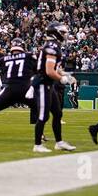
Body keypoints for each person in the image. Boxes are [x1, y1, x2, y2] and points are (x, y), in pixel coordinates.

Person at [31, 23, 74, 153]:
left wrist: (65, 74)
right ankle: (37, 145)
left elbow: (55, 69)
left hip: (49, 84)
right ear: (56, 33)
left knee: (57, 113)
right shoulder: (52, 46)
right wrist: (61, 79)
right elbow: (49, 71)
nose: (65, 35)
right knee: (44, 116)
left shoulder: (55, 45)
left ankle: (59, 142)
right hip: (43, 83)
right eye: (63, 32)